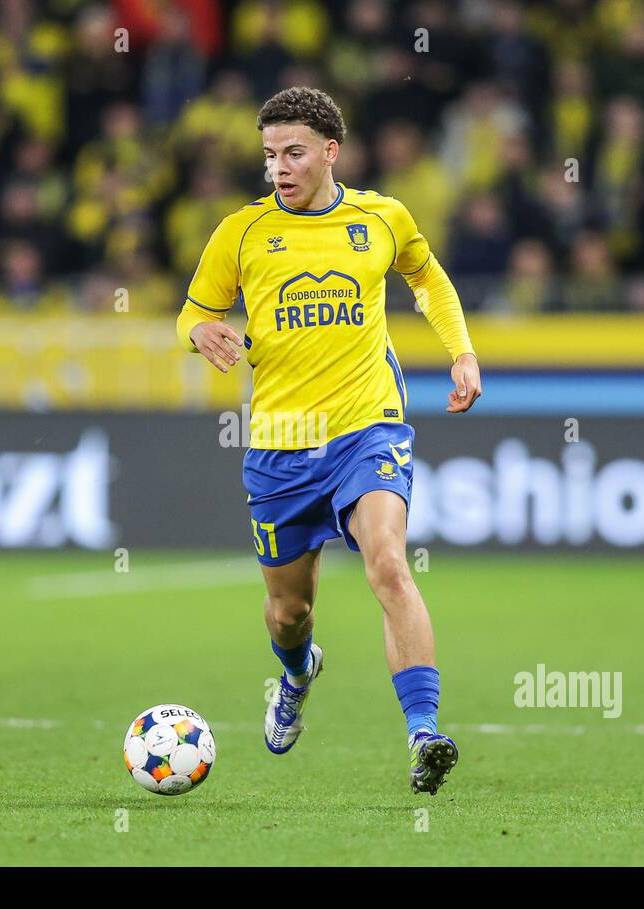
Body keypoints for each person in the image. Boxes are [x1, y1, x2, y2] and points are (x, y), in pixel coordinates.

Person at [175, 87, 481, 794]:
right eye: (269, 156)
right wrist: (199, 330)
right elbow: (195, 309)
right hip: (280, 447)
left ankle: (423, 733)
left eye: (293, 153)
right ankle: (295, 672)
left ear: (330, 152)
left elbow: (426, 276)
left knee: (388, 566)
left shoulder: (380, 218)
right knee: (291, 611)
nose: (278, 168)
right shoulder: (241, 233)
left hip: (365, 429)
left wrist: (460, 352)